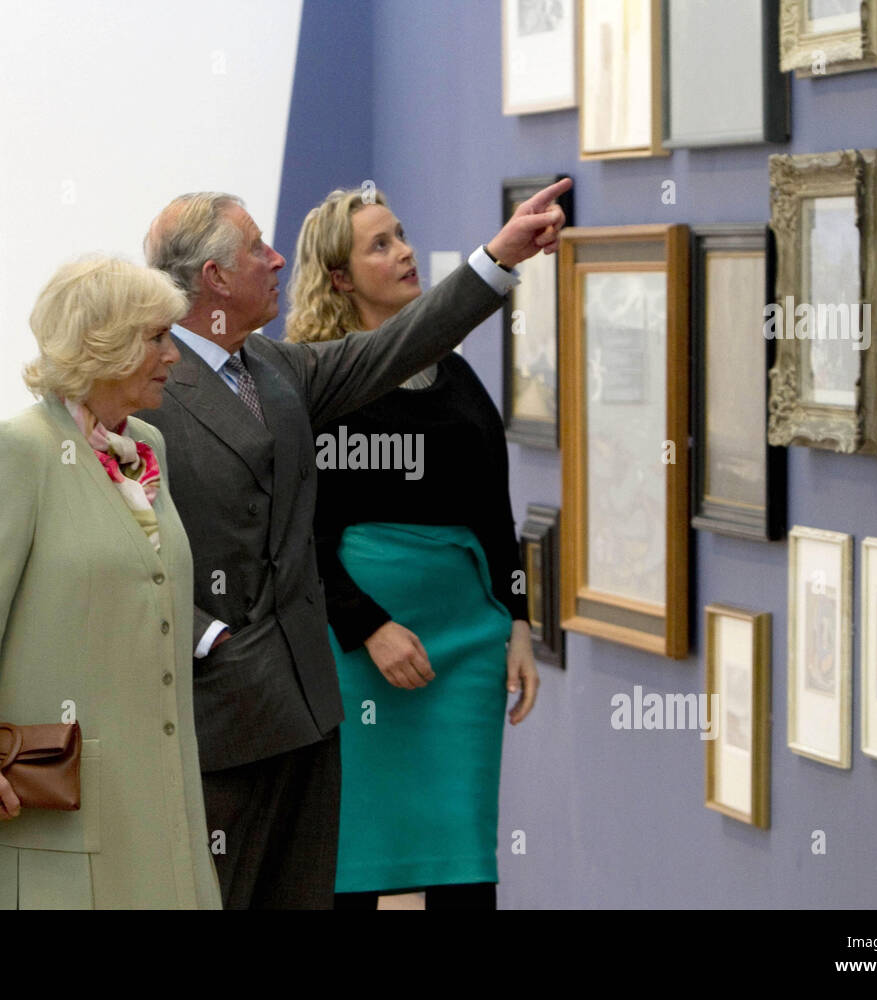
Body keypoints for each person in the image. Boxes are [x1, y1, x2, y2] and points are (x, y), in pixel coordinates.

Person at [135, 178, 569, 908]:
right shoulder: (147, 384)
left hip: (312, 691)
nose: (277, 261)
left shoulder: (278, 371)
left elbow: (406, 343)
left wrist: (497, 256)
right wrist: (210, 640)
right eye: (256, 250)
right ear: (213, 278)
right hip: (225, 701)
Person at [0, 256, 221, 910]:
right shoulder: (19, 447)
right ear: (105, 341)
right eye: (156, 338)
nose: (173, 355)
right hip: (63, 792)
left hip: (158, 784)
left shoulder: (145, 446)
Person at [286, 188, 542, 910]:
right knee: (357, 859)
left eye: (400, 235)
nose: (402, 251)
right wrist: (369, 627)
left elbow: (496, 514)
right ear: (338, 277)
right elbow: (300, 532)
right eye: (378, 244)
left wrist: (520, 624)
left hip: (468, 647)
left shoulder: (458, 378)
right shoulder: (318, 381)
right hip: (358, 646)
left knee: (464, 856)